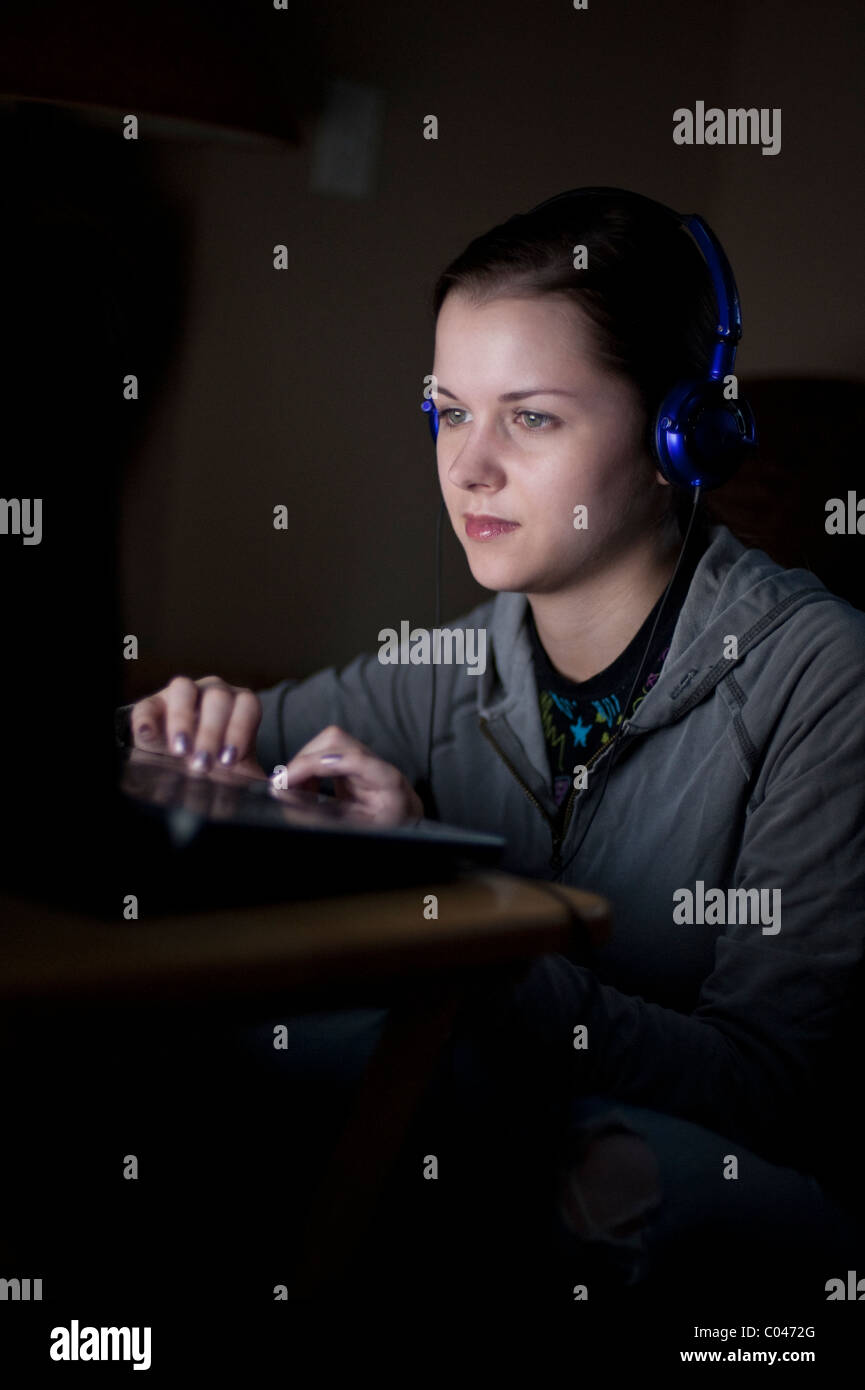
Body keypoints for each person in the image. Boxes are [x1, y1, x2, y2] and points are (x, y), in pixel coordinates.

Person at [117, 187, 865, 1306]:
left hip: (729, 1177)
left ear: (682, 435)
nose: (467, 467)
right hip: (500, 1104)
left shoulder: (822, 674)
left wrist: (447, 917)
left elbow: (771, 1088)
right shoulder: (452, 662)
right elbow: (174, 755)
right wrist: (184, 726)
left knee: (588, 1175)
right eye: (449, 411)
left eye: (531, 416)